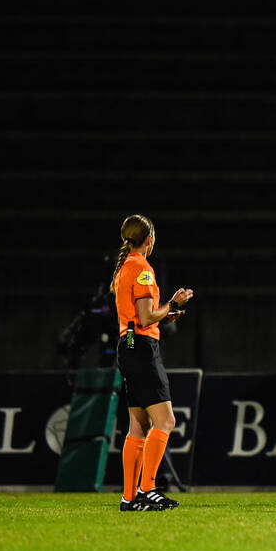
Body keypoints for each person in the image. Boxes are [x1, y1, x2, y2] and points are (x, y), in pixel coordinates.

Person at [111, 214, 194, 512]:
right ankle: (148, 489)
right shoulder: (142, 268)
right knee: (165, 421)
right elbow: (146, 318)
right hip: (143, 348)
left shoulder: (123, 268)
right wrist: (172, 305)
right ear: (149, 240)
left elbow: (136, 317)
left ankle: (129, 498)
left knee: (138, 425)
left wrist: (165, 315)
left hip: (127, 344)